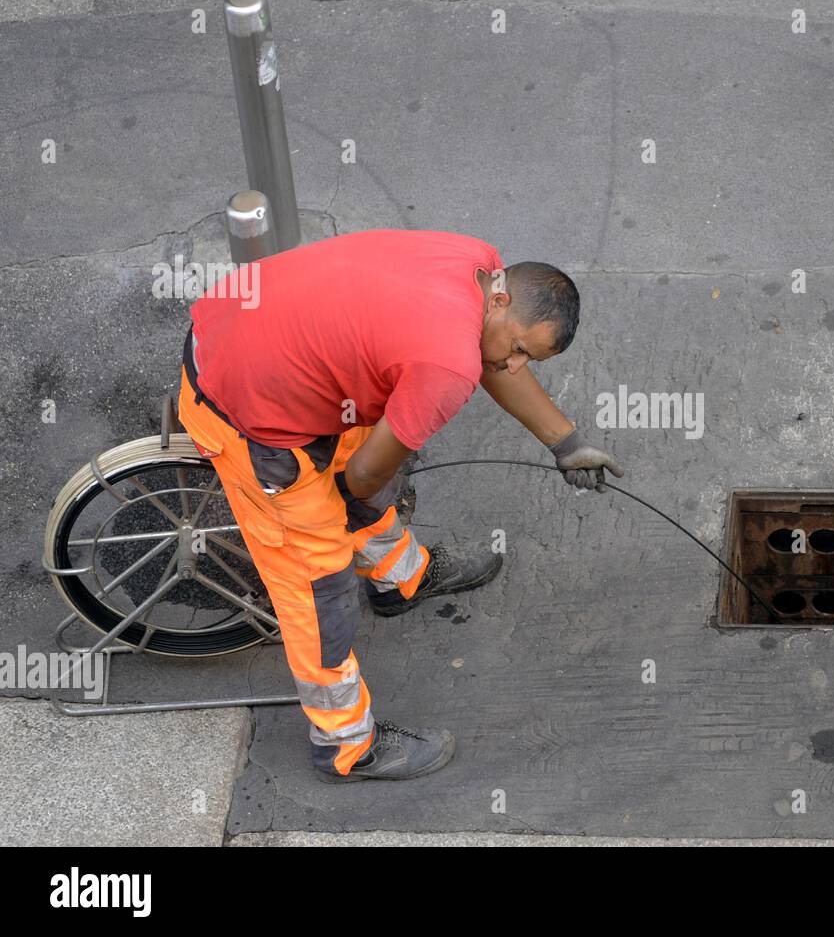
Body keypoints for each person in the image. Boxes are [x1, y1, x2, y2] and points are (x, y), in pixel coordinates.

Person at [177, 229, 623, 783]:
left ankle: (399, 580)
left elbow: (480, 360)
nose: (514, 365)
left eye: (526, 357)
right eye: (519, 349)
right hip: (246, 410)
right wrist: (342, 500)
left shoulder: (477, 263)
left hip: (257, 341)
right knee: (318, 586)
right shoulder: (447, 362)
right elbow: (366, 477)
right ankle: (345, 746)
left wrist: (566, 444)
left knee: (367, 457)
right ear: (502, 299)